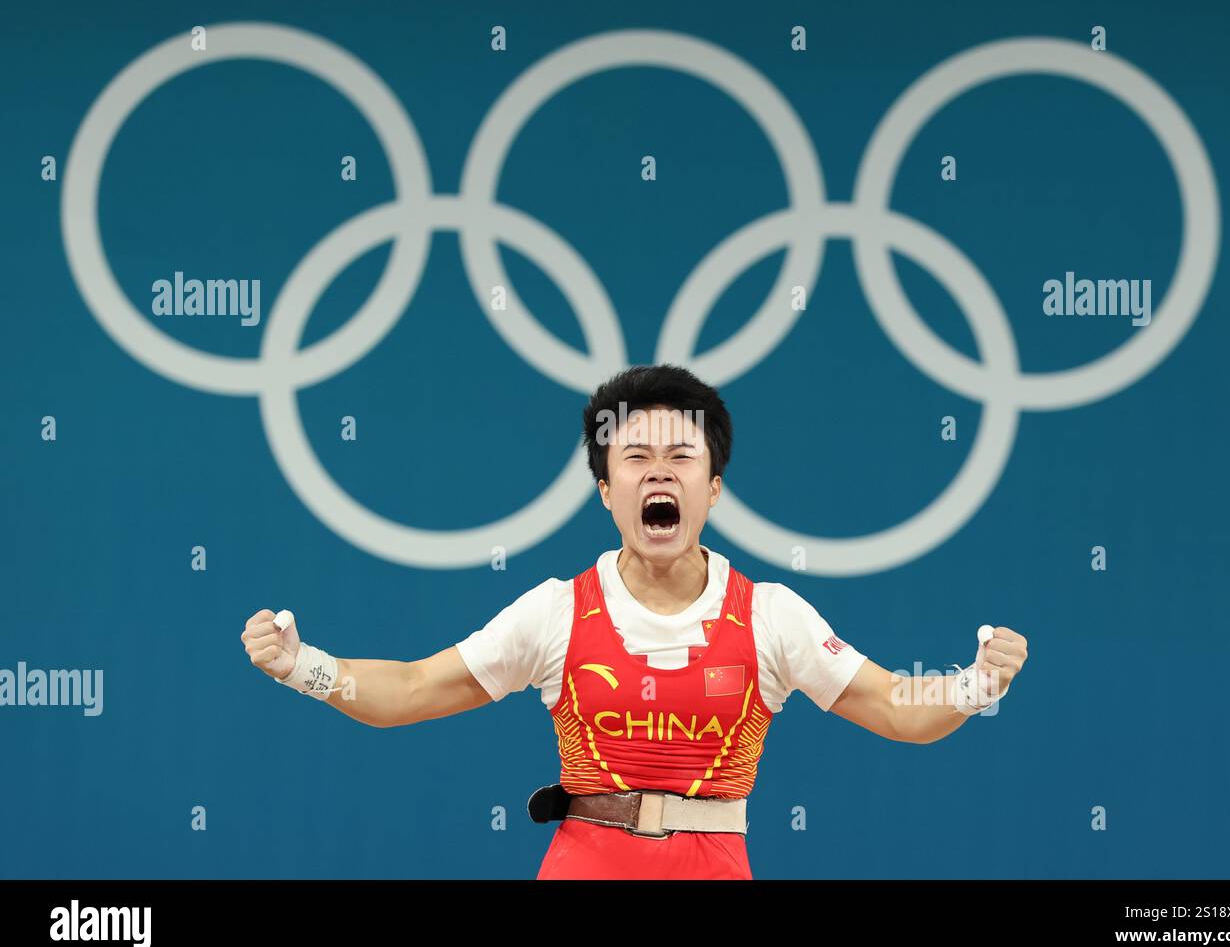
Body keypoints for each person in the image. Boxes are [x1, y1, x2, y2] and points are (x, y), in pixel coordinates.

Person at [239, 364, 1029, 879]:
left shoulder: (771, 616)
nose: (659, 468)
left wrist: (974, 684)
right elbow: (409, 689)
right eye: (635, 455)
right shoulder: (554, 612)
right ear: (606, 489)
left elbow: (895, 705)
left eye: (682, 456)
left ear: (713, 487)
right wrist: (303, 665)